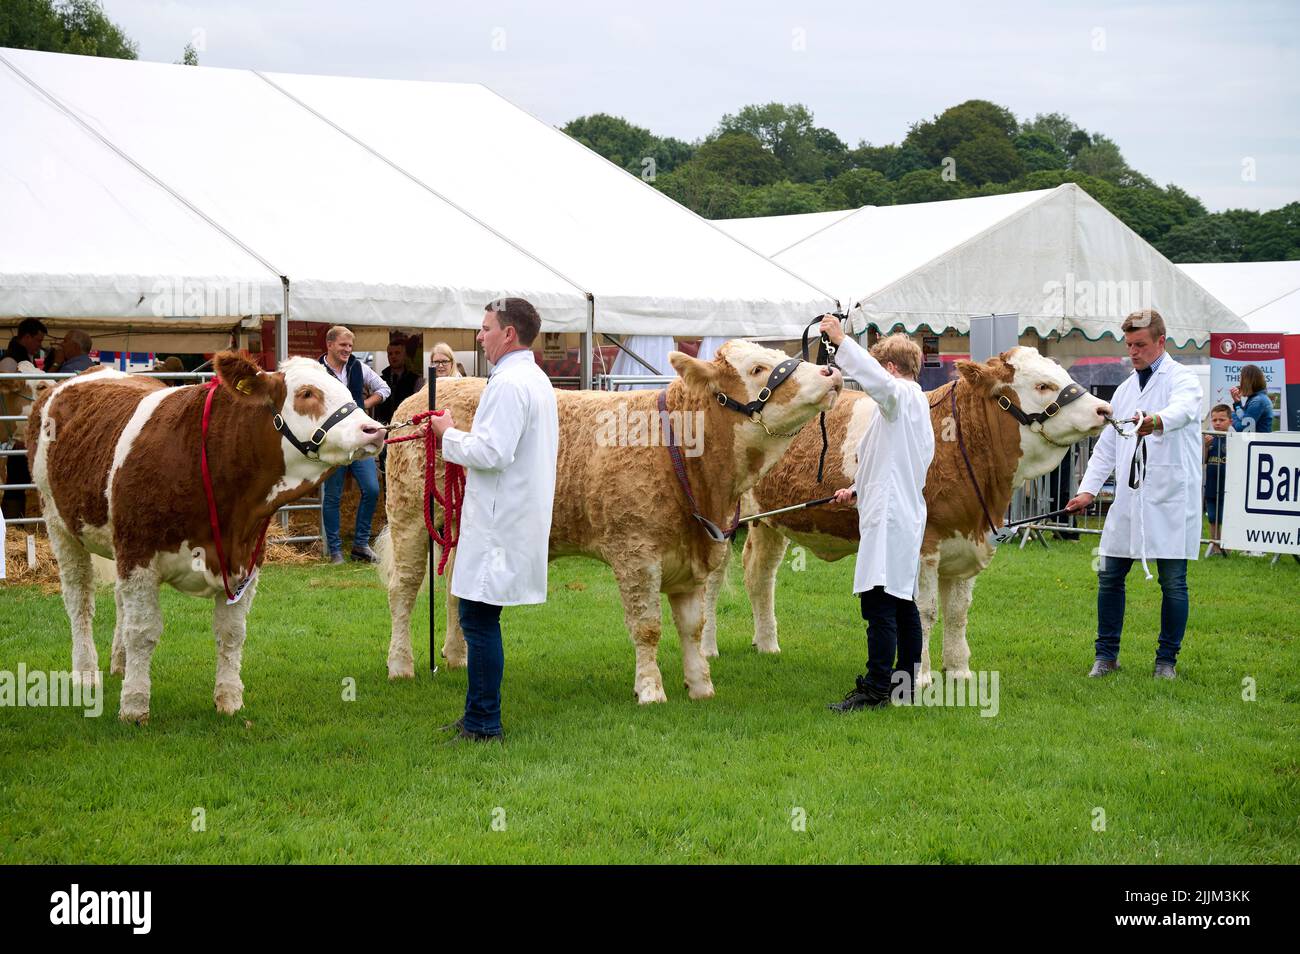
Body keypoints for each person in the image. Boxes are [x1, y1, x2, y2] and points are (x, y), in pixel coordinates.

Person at [429, 298, 558, 743]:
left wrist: (448, 434)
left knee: (478, 620)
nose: (479, 336)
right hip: (514, 513)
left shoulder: (509, 384)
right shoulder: (533, 378)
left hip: (501, 518)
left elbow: (492, 452)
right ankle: (476, 713)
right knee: (480, 616)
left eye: (486, 328)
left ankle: (485, 722)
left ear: (509, 333)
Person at [1067, 310, 1203, 680]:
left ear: (1161, 341)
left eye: (1140, 344)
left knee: (1173, 581)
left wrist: (1155, 421)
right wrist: (1087, 490)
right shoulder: (1126, 389)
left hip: (1171, 497)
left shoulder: (1183, 379)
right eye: (1129, 345)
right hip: (1130, 499)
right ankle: (1106, 656)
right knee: (1110, 575)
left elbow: (1184, 411)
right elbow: (1108, 447)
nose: (1134, 351)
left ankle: (1166, 661)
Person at [818, 316, 936, 711]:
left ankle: (876, 687)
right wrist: (855, 490)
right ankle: (902, 688)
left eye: (877, 365)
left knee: (881, 602)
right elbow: (891, 463)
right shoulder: (912, 408)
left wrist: (840, 341)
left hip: (891, 518)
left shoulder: (900, 396)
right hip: (897, 513)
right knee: (902, 602)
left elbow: (878, 384)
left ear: (890, 368)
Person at [319, 325, 390, 563]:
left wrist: (363, 405)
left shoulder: (358, 366)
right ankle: (335, 550)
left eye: (350, 346)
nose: (347, 350)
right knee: (333, 495)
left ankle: (360, 545)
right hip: (334, 441)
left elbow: (384, 389)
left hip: (360, 438)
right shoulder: (317, 371)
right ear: (329, 344)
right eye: (343, 345)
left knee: (371, 489)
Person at [1, 319, 47, 519]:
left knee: (18, 474)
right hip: (17, 428)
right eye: (38, 340)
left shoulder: (22, 359)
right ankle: (13, 522)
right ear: (26, 337)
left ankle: (16, 521)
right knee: (17, 474)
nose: (40, 345)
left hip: (20, 428)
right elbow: (8, 387)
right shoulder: (12, 360)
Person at [1203, 403, 1231, 556]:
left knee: (1225, 517)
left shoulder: (1233, 439)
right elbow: (1203, 461)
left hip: (1227, 486)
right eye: (1215, 420)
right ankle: (1214, 545)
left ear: (1230, 421)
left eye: (1222, 420)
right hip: (1212, 486)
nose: (1218, 423)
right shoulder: (1209, 438)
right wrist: (1206, 447)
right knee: (1213, 517)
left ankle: (1226, 545)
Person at [375, 337, 421, 426]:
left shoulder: (416, 380)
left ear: (404, 355)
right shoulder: (380, 380)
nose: (393, 356)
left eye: (397, 353)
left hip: (406, 426)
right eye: (390, 354)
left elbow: (417, 406)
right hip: (384, 428)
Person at [1230, 364, 1274, 434]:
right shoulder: (1256, 399)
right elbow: (1243, 418)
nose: (1240, 382)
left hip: (1259, 443)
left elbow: (1244, 428)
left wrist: (1232, 416)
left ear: (1247, 382)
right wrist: (1237, 403)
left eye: (1241, 379)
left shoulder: (1258, 401)